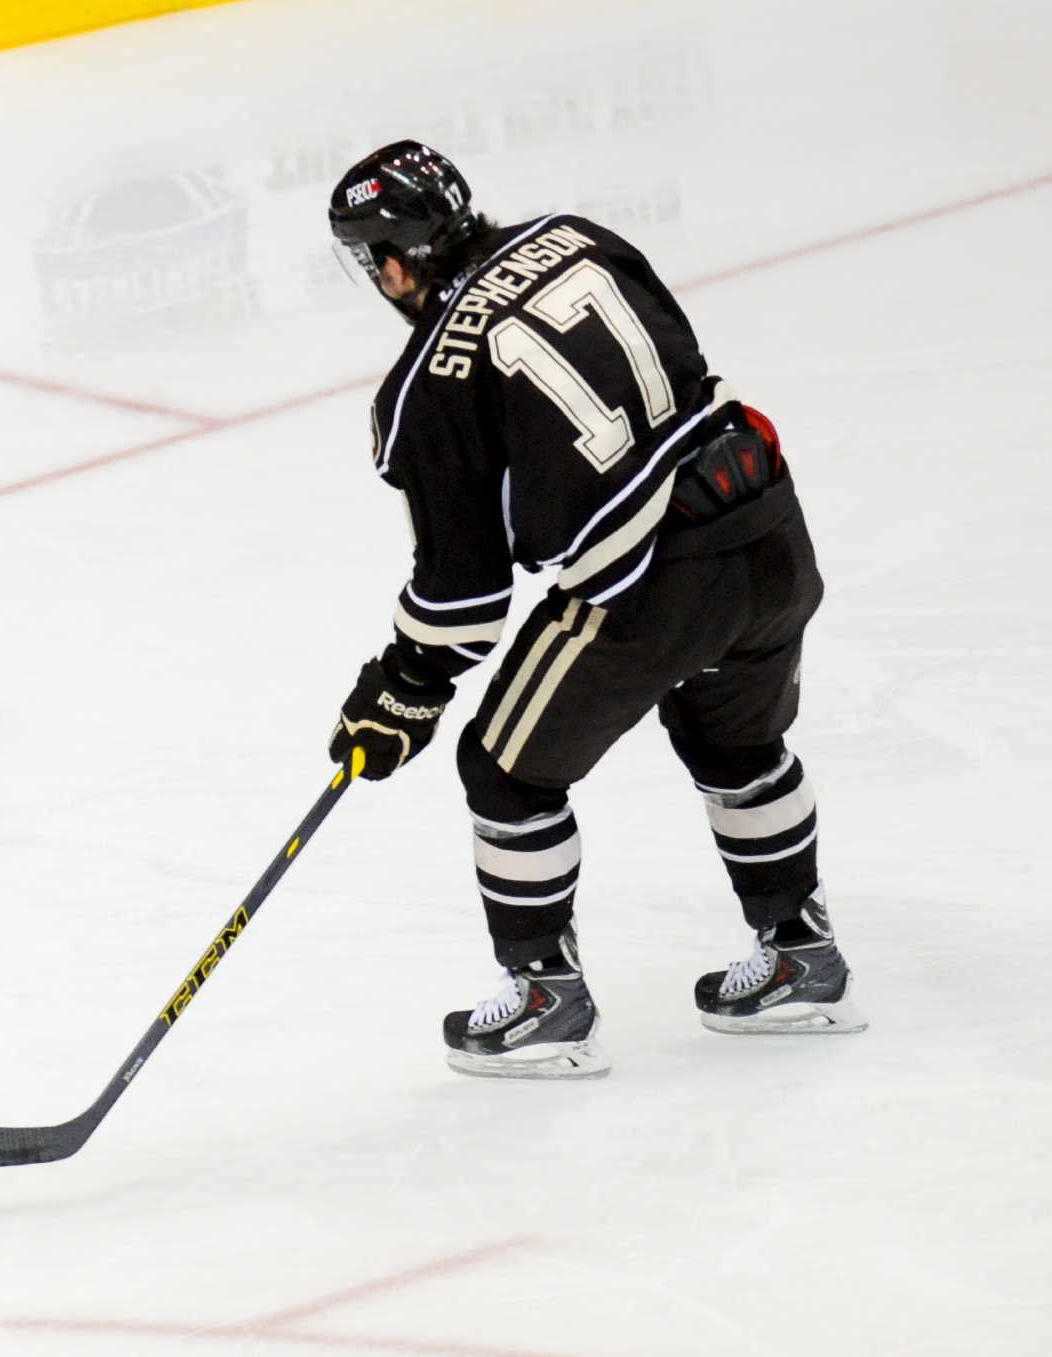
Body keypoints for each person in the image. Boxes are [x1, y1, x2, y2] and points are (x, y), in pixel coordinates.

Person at [322, 143, 864, 1079]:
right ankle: (803, 957)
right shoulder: (579, 235)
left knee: (504, 772)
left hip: (656, 582)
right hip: (770, 520)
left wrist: (403, 685)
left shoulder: (424, 389)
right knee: (735, 742)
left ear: (396, 263)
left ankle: (546, 1001)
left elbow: (464, 597)